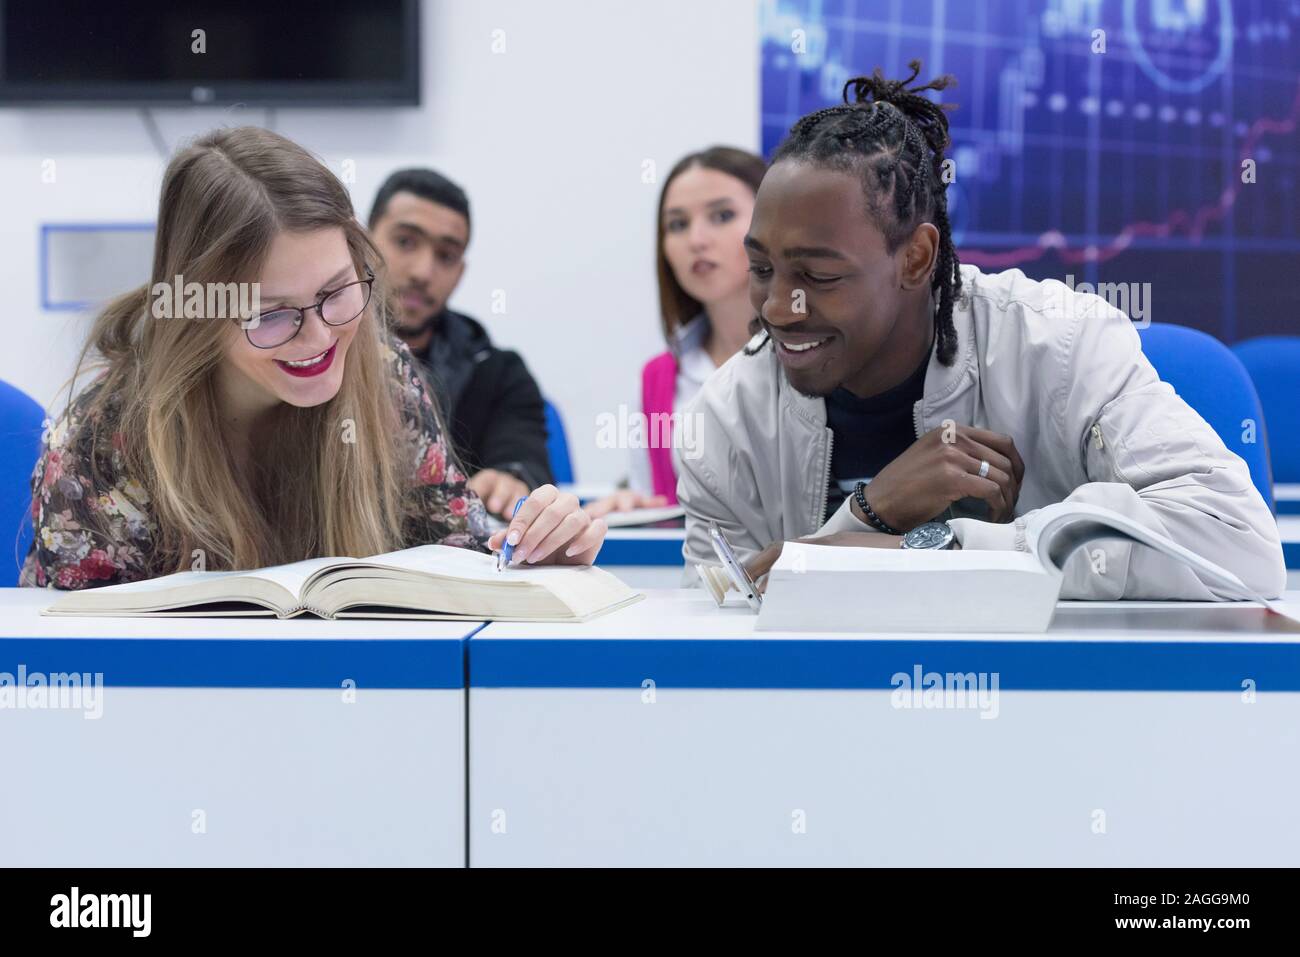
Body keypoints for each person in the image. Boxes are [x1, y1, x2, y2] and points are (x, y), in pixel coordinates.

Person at [676, 62, 1285, 600]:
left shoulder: (1061, 346)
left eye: (819, 275)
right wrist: (868, 514)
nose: (779, 307)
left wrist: (942, 551)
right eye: (761, 268)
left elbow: (1237, 542)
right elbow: (719, 620)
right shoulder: (726, 420)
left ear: (915, 258)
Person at [21, 127, 604, 590]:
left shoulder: (389, 380)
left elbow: (466, 569)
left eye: (337, 293)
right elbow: (89, 662)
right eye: (271, 313)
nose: (320, 338)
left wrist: (537, 559)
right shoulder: (104, 437)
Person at [585, 146, 767, 518]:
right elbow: (657, 508)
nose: (696, 240)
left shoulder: (817, 356)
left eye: (722, 215)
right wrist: (633, 508)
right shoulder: (658, 379)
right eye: (678, 224)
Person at [368, 168, 552, 519]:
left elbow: (524, 456)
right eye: (405, 242)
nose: (423, 272)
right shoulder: (317, 354)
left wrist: (511, 478)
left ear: (461, 271)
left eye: (446, 256)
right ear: (363, 241)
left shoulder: (499, 373)